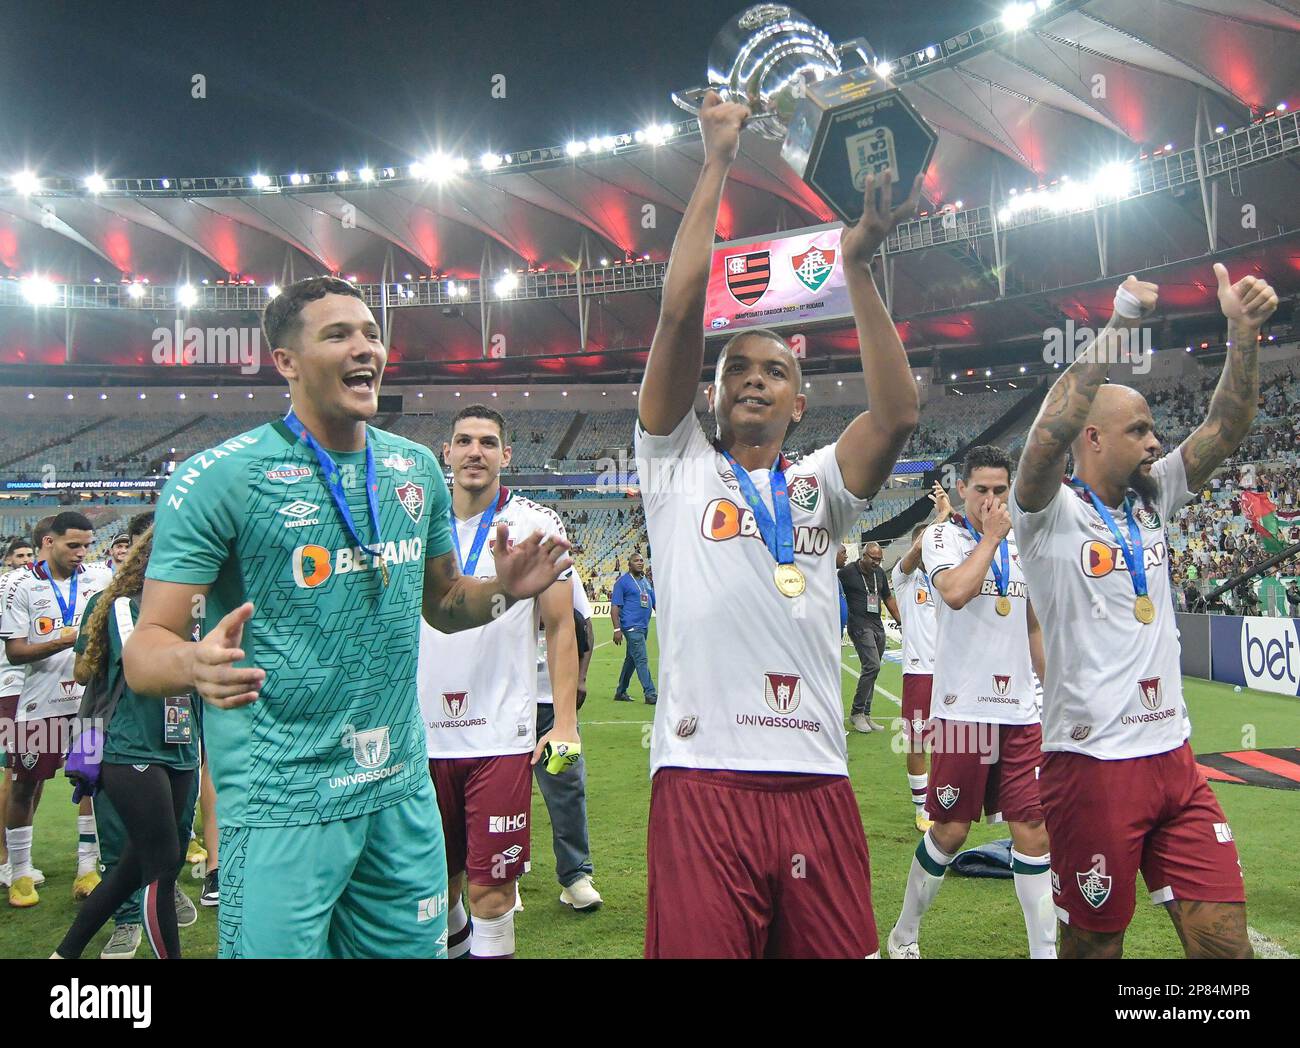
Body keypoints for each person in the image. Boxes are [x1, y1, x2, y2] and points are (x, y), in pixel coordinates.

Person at [120, 276, 571, 958]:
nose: (365, 348)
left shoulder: (413, 469)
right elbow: (144, 648)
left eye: (371, 334)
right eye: (338, 335)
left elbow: (446, 604)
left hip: (398, 793)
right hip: (281, 802)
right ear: (286, 361)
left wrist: (506, 590)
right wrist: (191, 664)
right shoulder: (220, 479)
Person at [636, 90, 920, 958]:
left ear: (800, 403)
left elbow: (899, 413)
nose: (752, 378)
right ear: (713, 393)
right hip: (701, 776)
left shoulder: (819, 486)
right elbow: (682, 308)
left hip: (815, 782)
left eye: (774, 369)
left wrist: (859, 269)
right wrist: (718, 154)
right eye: (737, 369)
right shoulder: (674, 462)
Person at [1011, 265, 1275, 958]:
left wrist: (1242, 334)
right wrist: (1121, 324)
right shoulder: (1046, 514)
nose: (1156, 443)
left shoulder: (1153, 498)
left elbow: (1229, 421)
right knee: (1096, 946)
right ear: (1093, 438)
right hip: (1092, 764)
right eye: (1140, 430)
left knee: (1226, 947)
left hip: (1176, 762)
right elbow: (1044, 435)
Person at [418, 405, 580, 960]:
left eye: (488, 442)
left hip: (500, 735)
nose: (475, 452)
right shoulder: (417, 525)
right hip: (421, 737)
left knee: (493, 893)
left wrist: (564, 723)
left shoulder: (538, 524)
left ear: (506, 455)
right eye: (463, 440)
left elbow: (561, 628)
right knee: (436, 891)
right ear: (447, 452)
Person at [888, 446, 1054, 960]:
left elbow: (1031, 623)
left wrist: (1055, 690)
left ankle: (1044, 953)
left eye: (1000, 490)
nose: (991, 499)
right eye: (981, 489)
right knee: (952, 829)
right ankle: (904, 933)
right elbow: (957, 592)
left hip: (1020, 713)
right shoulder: (941, 537)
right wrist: (990, 537)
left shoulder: (1022, 542)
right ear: (962, 489)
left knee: (1033, 829)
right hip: (963, 711)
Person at [52, 518, 201, 959]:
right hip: (128, 741)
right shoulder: (118, 605)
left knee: (138, 863)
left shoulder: (200, 604)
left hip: (182, 741)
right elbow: (116, 670)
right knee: (159, 864)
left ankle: (65, 953)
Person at [1, 512, 112, 907]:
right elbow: (15, 653)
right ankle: (20, 873)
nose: (82, 553)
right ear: (49, 542)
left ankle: (87, 869)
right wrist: (70, 638)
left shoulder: (100, 577)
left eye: (86, 545)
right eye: (73, 545)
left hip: (88, 703)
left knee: (91, 782)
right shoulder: (18, 585)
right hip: (39, 704)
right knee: (25, 784)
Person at [534, 571, 602, 912]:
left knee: (565, 786)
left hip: (550, 703)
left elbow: (584, 626)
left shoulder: (559, 565)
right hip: (500, 704)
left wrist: (582, 678)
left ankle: (575, 875)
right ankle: (508, 875)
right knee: (503, 790)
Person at [889, 482, 952, 832]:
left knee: (954, 742)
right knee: (917, 740)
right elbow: (914, 553)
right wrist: (939, 518)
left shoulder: (948, 577)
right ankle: (920, 807)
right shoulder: (905, 578)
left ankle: (945, 799)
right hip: (919, 671)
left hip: (953, 672)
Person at [839, 541, 900, 732]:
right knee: (872, 664)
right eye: (873, 559)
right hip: (859, 625)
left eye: (879, 560)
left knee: (872, 669)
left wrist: (900, 620)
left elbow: (888, 597)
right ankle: (857, 713)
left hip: (877, 626)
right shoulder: (847, 573)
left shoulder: (879, 573)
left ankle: (866, 714)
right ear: (863, 556)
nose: (877, 563)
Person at [610, 552, 656, 704]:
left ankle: (621, 691)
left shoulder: (646, 581)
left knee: (631, 660)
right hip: (631, 627)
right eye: (636, 561)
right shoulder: (622, 582)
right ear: (629, 564)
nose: (640, 563)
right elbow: (615, 606)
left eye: (642, 561)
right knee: (641, 659)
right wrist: (617, 629)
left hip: (644, 626)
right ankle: (650, 693)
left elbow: (654, 602)